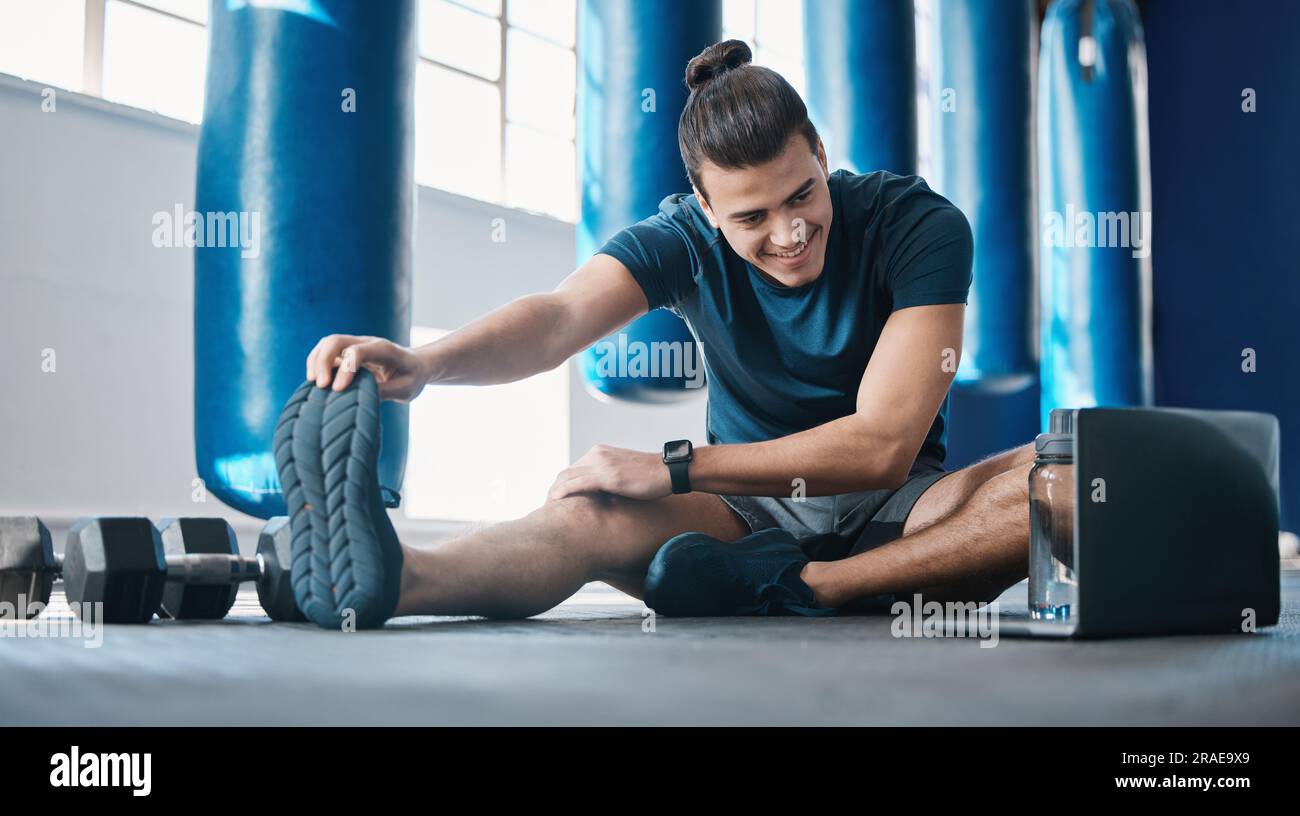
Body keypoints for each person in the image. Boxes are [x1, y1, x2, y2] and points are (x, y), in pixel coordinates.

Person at [278, 39, 1042, 628]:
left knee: (1060, 479)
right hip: (746, 518)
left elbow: (882, 444)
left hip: (900, 512)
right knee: (588, 517)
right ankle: (399, 578)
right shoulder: (682, 238)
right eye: (751, 218)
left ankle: (808, 586)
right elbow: (556, 319)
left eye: (802, 194)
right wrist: (423, 363)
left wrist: (677, 465)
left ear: (820, 154)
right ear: (706, 211)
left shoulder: (917, 224)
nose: (791, 231)